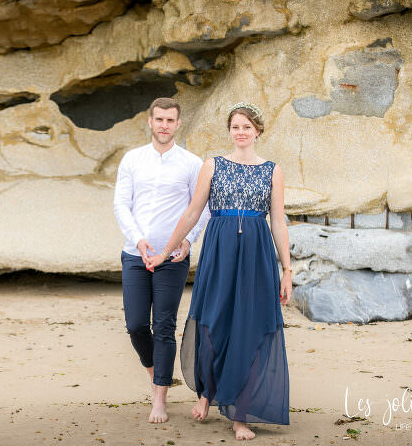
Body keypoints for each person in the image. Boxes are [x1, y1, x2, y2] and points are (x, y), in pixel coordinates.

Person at [146, 102, 293, 441]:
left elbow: (278, 222)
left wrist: (287, 269)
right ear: (230, 131)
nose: (240, 132)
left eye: (246, 126)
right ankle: (207, 392)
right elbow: (192, 212)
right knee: (214, 322)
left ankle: (240, 414)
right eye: (235, 126)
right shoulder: (213, 165)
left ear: (258, 131)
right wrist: (167, 251)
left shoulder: (273, 170)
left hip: (256, 256)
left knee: (249, 328)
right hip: (219, 252)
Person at [113, 97, 210, 424]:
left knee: (164, 326)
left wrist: (187, 239)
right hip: (135, 254)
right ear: (150, 121)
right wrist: (138, 239)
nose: (164, 125)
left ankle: (159, 398)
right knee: (136, 324)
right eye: (159, 120)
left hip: (173, 257)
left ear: (178, 124)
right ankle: (156, 369)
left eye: (170, 120)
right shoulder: (132, 159)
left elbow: (202, 208)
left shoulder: (191, 163)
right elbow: (121, 205)